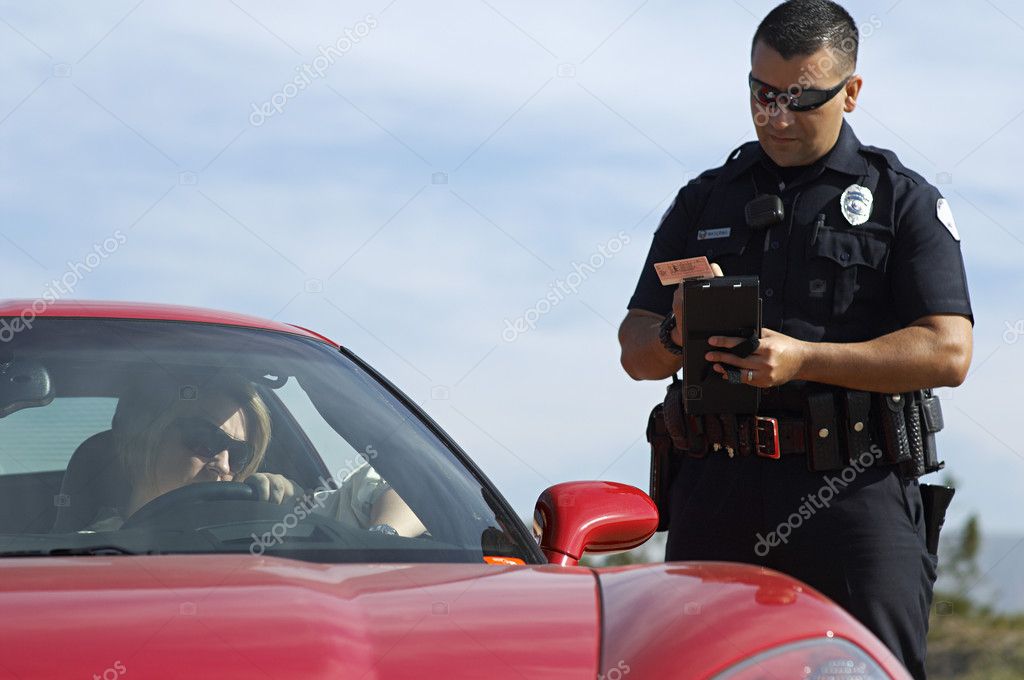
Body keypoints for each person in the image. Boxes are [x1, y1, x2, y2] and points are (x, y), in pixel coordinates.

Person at [618, 2, 973, 678]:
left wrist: (806, 359)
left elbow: (947, 351)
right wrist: (673, 332)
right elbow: (634, 347)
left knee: (877, 668)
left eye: (800, 99)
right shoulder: (704, 200)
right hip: (714, 487)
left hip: (851, 491)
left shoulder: (901, 200)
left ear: (852, 93)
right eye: (761, 93)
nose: (774, 116)